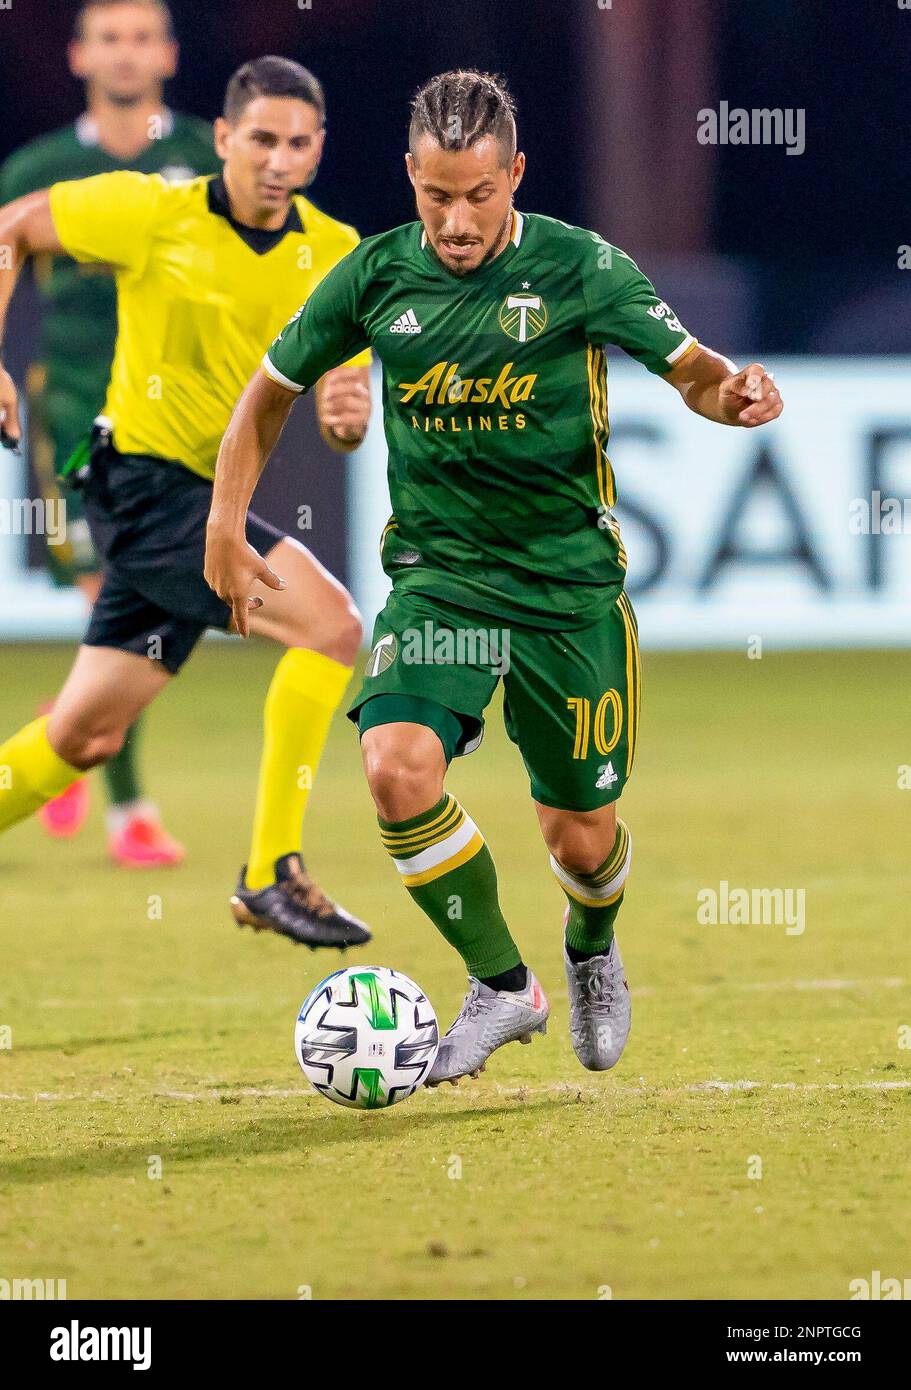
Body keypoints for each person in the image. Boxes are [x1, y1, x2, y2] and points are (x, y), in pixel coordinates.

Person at [204, 70, 783, 1078]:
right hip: (442, 582)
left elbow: (689, 369)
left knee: (578, 838)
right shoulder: (375, 275)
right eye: (435, 196)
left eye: (477, 195)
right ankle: (502, 984)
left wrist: (731, 393)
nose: (456, 221)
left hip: (567, 589)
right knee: (392, 766)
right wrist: (222, 522)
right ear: (409, 177)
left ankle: (592, 948)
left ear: (513, 173)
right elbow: (269, 389)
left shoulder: (579, 266)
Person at [0, 55, 373, 949]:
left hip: (200, 495)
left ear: (318, 149)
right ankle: (270, 871)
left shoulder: (338, 255)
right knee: (332, 627)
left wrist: (350, 412)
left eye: (296, 143)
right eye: (260, 140)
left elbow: (345, 410)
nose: (278, 160)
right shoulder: (150, 210)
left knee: (84, 735)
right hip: (142, 484)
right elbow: (11, 224)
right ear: (222, 140)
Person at [0, 0, 219, 866]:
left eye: (140, 38)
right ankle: (131, 812)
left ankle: (60, 741)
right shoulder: (42, 166)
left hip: (177, 424)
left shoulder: (207, 156)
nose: (125, 55)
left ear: (165, 53)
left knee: (154, 610)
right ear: (79, 55)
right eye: (108, 39)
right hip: (74, 420)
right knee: (112, 603)